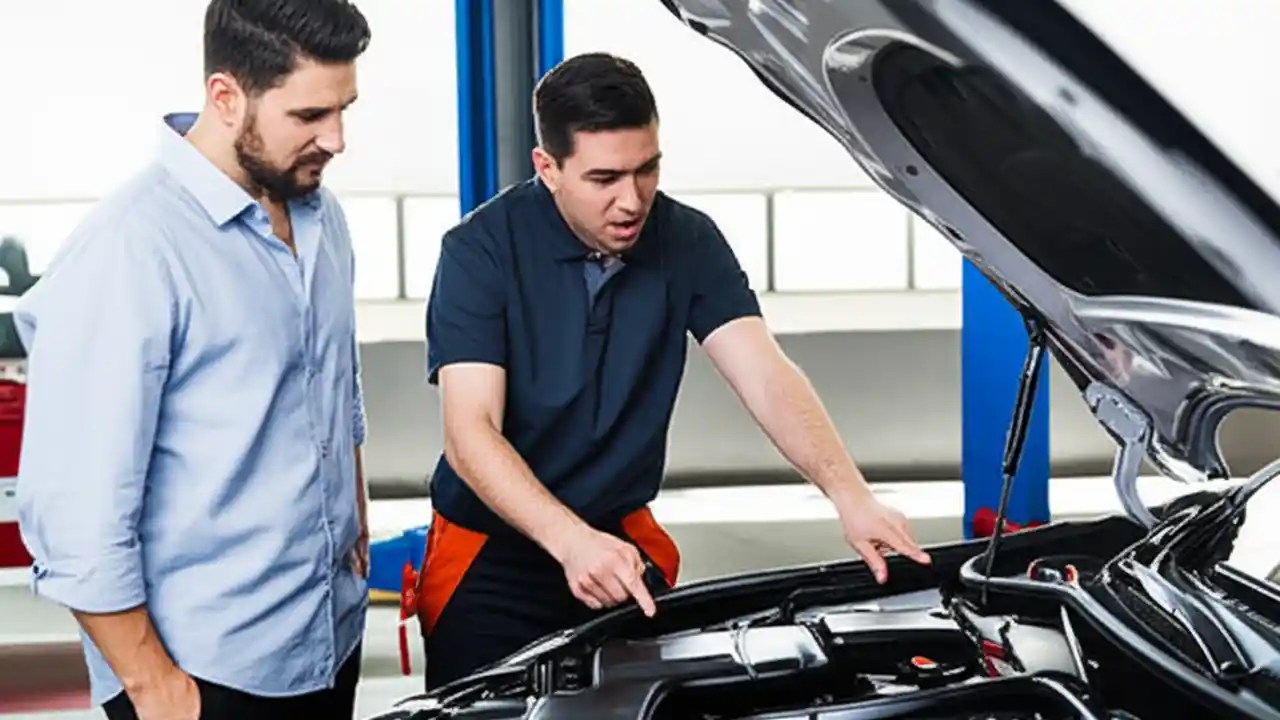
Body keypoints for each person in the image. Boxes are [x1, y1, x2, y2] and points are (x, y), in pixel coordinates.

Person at [412, 51, 932, 691]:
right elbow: (472, 434)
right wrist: (570, 542)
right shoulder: (479, 252)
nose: (631, 201)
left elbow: (766, 374)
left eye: (647, 169)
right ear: (547, 168)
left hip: (618, 541)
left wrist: (851, 495)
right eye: (604, 178)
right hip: (490, 556)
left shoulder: (688, 240)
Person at [13, 1, 373, 718]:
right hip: (200, 676)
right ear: (225, 96)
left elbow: (331, 383)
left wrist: (352, 511)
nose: (336, 139)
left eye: (344, 109)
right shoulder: (130, 247)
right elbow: (72, 506)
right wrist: (150, 682)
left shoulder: (319, 214)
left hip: (326, 642)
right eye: (308, 116)